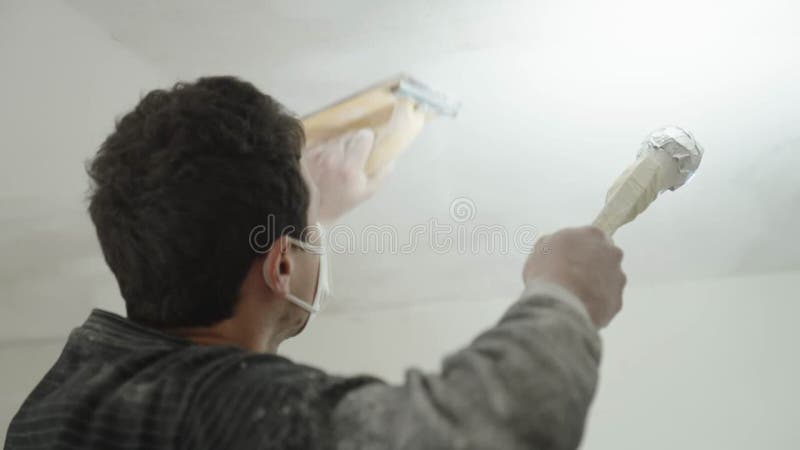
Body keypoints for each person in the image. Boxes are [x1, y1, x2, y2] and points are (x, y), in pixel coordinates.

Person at [4, 76, 625, 450]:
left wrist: (304, 223)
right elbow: (486, 427)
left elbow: (246, 296)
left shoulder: (59, 402)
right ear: (279, 268)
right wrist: (563, 291)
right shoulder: (223, 408)